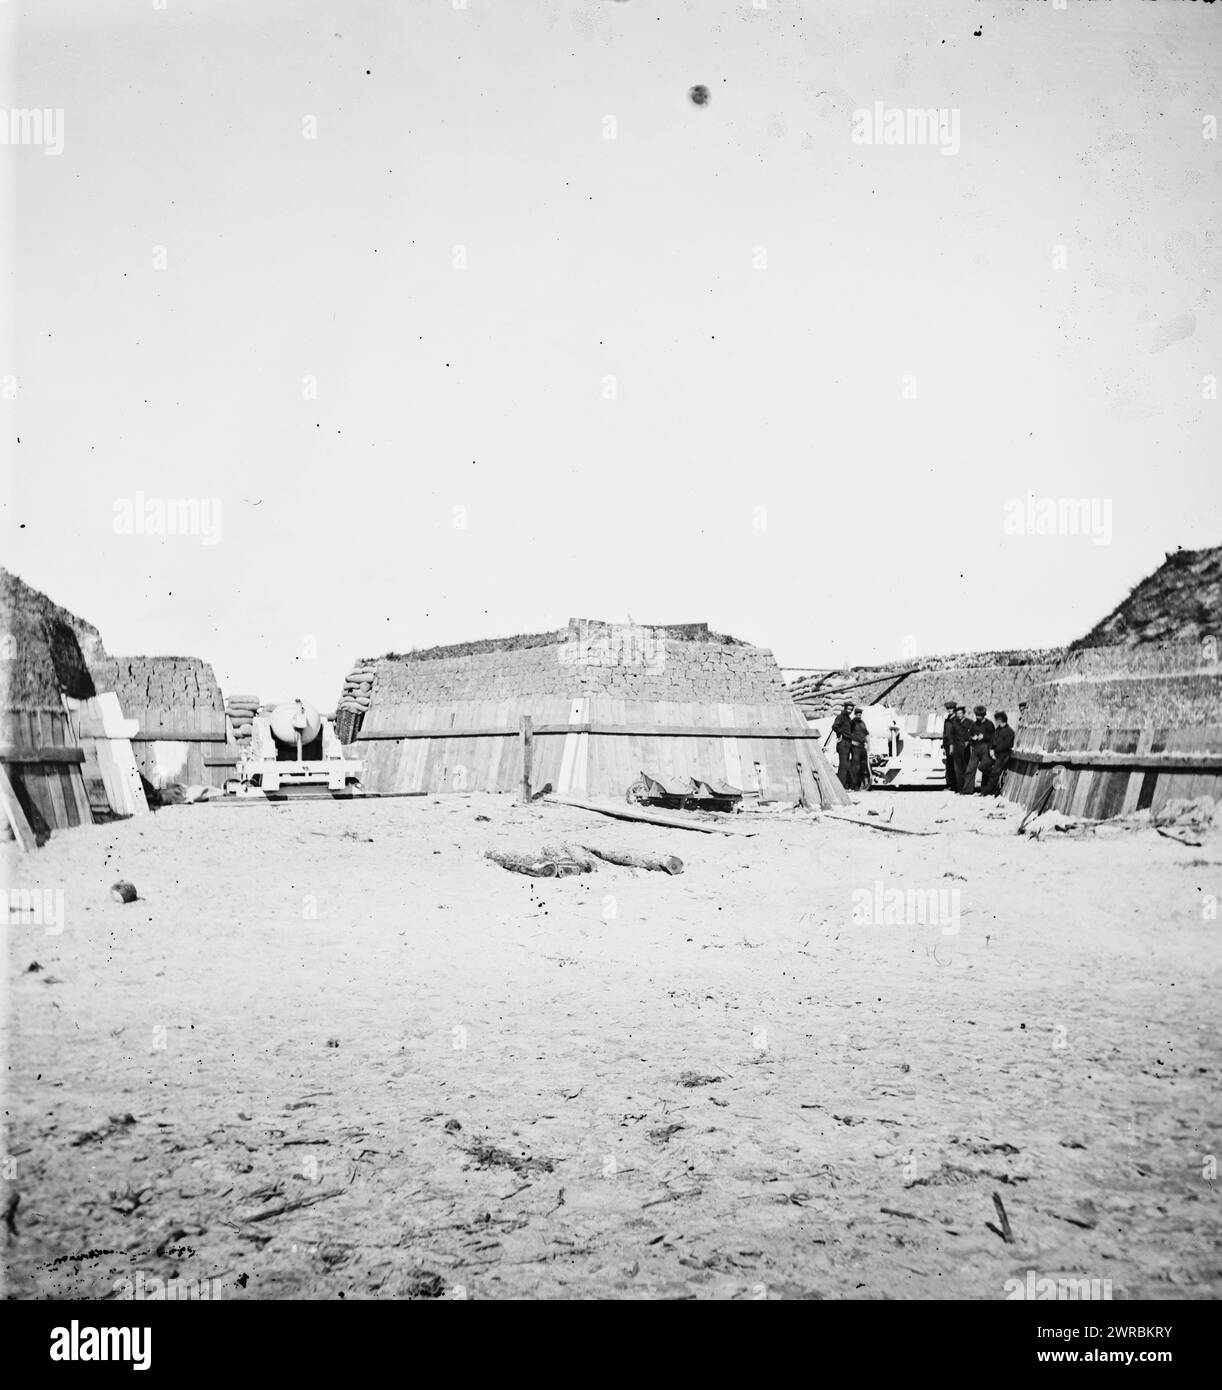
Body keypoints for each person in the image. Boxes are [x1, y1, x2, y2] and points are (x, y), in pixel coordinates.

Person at [961, 704, 995, 794]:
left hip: (986, 748)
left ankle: (985, 790)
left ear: (984, 715)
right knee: (970, 769)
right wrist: (972, 737)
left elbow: (993, 737)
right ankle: (967, 790)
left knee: (984, 768)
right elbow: (969, 734)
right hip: (975, 748)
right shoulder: (974, 724)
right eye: (976, 715)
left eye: (979, 716)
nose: (977, 717)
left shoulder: (989, 724)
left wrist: (984, 736)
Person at [982, 711, 1014, 796]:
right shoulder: (997, 730)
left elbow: (1007, 745)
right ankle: (994, 781)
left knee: (995, 772)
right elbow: (991, 741)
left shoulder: (1009, 731)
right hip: (993, 753)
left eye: (996, 720)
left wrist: (995, 751)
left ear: (1000, 720)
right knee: (982, 766)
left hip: (1003, 754)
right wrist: (991, 750)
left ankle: (988, 792)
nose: (995, 722)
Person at [848, 705, 871, 790]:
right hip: (855, 747)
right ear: (855, 714)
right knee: (855, 766)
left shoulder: (862, 723)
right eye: (857, 714)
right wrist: (851, 742)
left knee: (863, 766)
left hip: (862, 747)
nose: (859, 715)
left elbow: (866, 733)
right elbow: (847, 733)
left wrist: (868, 744)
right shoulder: (852, 723)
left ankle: (862, 784)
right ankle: (854, 786)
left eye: (860, 714)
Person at [831, 700, 854, 786]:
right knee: (843, 765)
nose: (849, 711)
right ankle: (840, 785)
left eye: (851, 709)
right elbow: (834, 726)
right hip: (843, 743)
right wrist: (840, 734)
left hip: (848, 743)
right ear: (845, 708)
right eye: (848, 709)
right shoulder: (841, 717)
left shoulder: (848, 719)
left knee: (847, 764)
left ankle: (845, 784)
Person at [949, 703, 971, 792]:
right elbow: (951, 735)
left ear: (964, 713)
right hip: (957, 747)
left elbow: (973, 732)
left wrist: (969, 741)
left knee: (966, 768)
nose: (959, 715)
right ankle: (960, 789)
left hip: (965, 747)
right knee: (957, 769)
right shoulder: (954, 723)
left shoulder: (969, 722)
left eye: (960, 713)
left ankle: (966, 788)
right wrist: (951, 746)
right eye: (957, 714)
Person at [941, 700, 959, 790]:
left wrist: (952, 744)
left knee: (955, 765)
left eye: (951, 708)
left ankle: (955, 785)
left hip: (954, 745)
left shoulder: (956, 719)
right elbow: (945, 732)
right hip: (947, 744)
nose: (950, 710)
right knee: (949, 765)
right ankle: (951, 785)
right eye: (948, 709)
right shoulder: (947, 719)